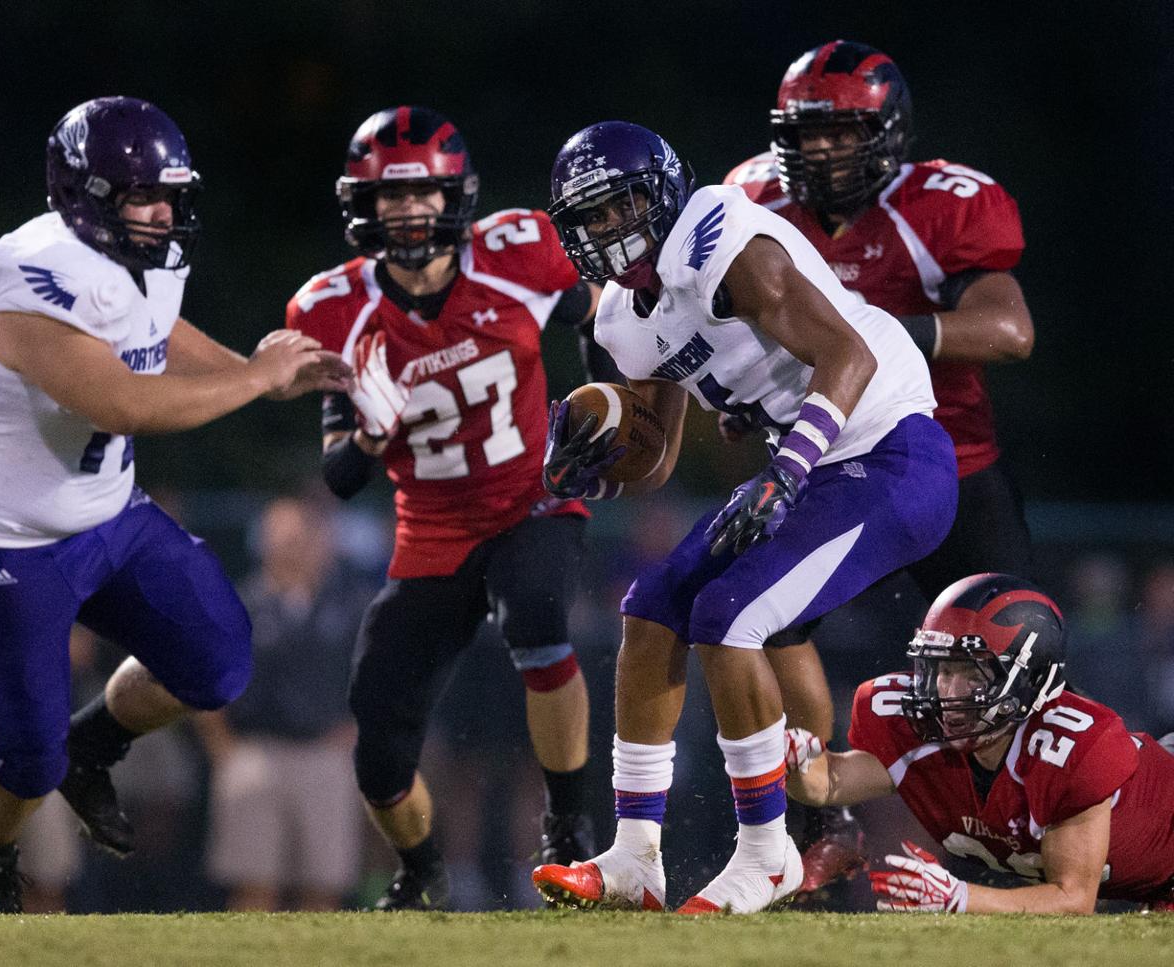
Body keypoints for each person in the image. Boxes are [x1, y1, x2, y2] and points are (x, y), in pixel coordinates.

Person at [531, 120, 957, 915]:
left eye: (617, 207)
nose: (604, 232)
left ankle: (768, 853)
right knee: (653, 605)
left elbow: (851, 357)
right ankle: (635, 858)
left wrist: (787, 471)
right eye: (586, 219)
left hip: (890, 448)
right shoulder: (622, 319)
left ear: (657, 195)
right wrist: (586, 471)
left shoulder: (717, 236)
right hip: (811, 463)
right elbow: (654, 457)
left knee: (730, 615)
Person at [0, 96, 349, 914]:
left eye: (167, 194)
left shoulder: (138, 247)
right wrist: (257, 380)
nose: (160, 213)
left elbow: (156, 327)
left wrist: (256, 366)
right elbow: (127, 404)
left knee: (217, 659)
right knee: (22, 762)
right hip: (8, 542)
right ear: (82, 196)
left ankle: (92, 744)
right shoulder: (23, 281)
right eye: (139, 196)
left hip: (109, 514)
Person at [722, 39, 1036, 891]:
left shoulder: (939, 202)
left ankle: (1039, 853)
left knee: (1014, 669)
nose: (823, 151)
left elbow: (1010, 330)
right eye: (808, 132)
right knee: (761, 615)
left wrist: (874, 335)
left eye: (843, 131)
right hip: (829, 467)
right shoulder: (752, 201)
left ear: (889, 132)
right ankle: (826, 826)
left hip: (949, 467)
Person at [286, 105, 610, 911]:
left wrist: (607, 400)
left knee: (536, 615)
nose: (407, 212)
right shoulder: (332, 310)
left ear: (455, 196)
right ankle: (423, 870)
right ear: (361, 205)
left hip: (530, 498)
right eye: (390, 198)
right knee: (379, 740)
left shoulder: (520, 255)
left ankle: (569, 827)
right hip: (431, 533)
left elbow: (601, 313)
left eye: (423, 195)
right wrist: (369, 437)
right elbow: (338, 479)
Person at [785, 573, 1174, 913]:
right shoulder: (918, 729)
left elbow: (1072, 898)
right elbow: (825, 782)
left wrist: (960, 897)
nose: (948, 693)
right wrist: (796, 761)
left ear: (1029, 680)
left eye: (972, 675)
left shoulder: (1070, 748)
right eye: (941, 669)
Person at [200, 497, 371, 911]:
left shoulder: (351, 606)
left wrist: (358, 732)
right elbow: (204, 684)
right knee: (254, 886)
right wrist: (223, 750)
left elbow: (377, 678)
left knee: (324, 887)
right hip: (256, 752)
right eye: (287, 536)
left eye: (306, 535)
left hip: (325, 754)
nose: (298, 545)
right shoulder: (239, 604)